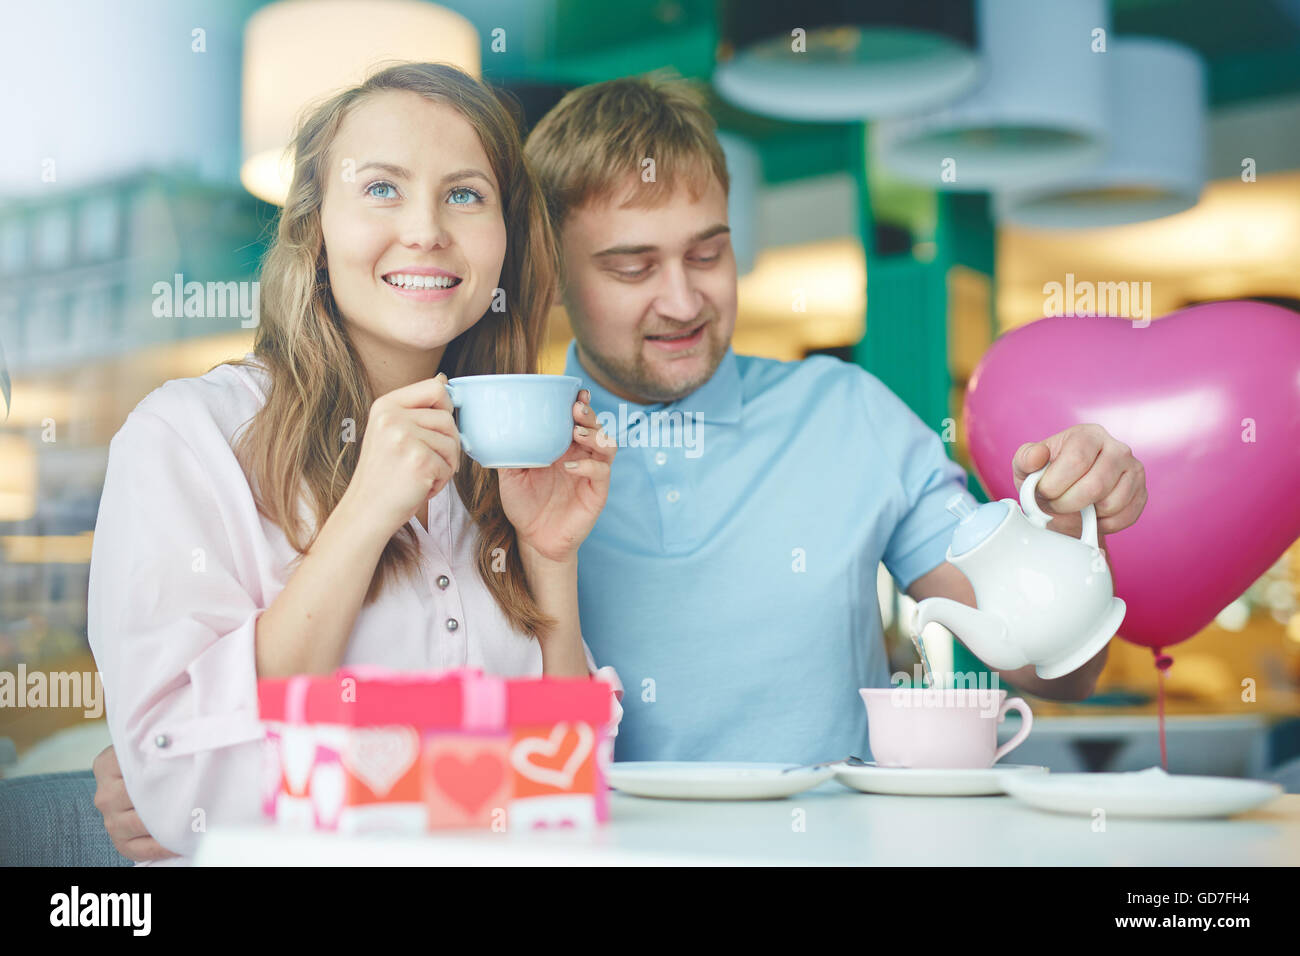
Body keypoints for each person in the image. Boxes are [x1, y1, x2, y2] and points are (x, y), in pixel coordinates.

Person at [520, 73, 1147, 763]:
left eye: (707, 254)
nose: (682, 300)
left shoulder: (849, 413)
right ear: (550, 274)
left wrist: (1070, 520)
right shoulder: (515, 458)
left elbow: (1058, 673)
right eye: (633, 269)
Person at [87, 62, 619, 863]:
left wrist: (551, 561)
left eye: (465, 194)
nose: (427, 229)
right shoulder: (185, 439)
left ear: (505, 244)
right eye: (380, 188)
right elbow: (182, 788)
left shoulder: (505, 461)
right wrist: (366, 513)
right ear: (316, 235)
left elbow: (570, 781)